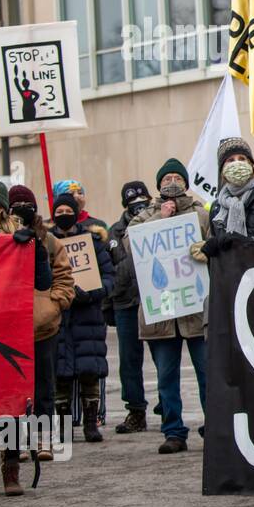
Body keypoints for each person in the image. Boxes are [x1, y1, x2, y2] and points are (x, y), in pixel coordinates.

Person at [0, 179, 54, 497]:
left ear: (0, 208)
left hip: (10, 333)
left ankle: (10, 470)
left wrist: (36, 249)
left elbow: (43, 283)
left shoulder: (21, 237)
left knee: (10, 400)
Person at [131, 158, 210, 455]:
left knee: (206, 372)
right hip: (161, 315)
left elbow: (215, 246)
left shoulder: (202, 215)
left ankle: (213, 425)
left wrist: (207, 252)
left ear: (186, 182)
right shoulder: (144, 216)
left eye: (177, 177)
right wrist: (159, 220)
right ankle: (173, 430)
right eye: (167, 179)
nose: (172, 182)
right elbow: (130, 246)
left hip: (196, 311)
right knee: (166, 376)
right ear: (158, 185)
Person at [5, 183, 74, 460]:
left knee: (44, 386)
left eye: (27, 205)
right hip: (9, 328)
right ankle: (18, 442)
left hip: (43, 327)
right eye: (16, 206)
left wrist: (52, 304)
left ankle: (43, 440)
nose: (22, 210)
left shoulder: (49, 241)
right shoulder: (1, 240)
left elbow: (64, 278)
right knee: (14, 389)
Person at [49, 193, 115, 444]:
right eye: (59, 210)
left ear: (76, 213)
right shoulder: (47, 242)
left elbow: (109, 276)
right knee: (60, 375)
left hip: (88, 316)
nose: (63, 214)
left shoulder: (94, 241)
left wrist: (92, 293)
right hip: (59, 317)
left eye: (68, 210)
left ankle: (90, 423)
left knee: (90, 373)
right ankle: (64, 426)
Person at [106, 181, 153, 433]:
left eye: (142, 199)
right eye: (133, 201)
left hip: (154, 300)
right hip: (125, 303)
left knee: (164, 358)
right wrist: (107, 306)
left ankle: (168, 407)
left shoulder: (157, 223)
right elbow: (107, 269)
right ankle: (135, 410)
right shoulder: (113, 232)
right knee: (129, 361)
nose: (138, 204)